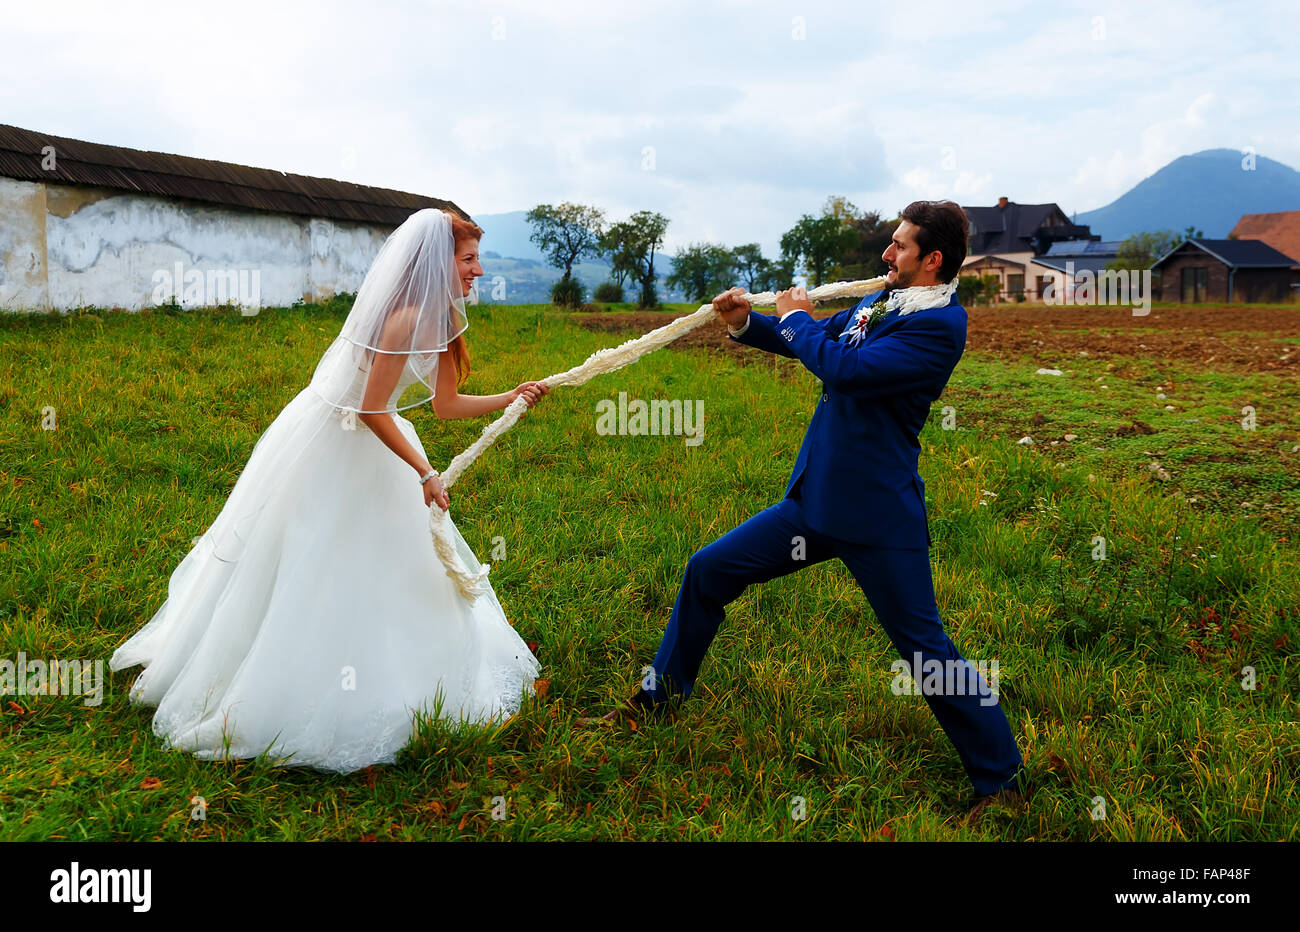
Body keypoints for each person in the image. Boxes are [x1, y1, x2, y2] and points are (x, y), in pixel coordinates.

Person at [591, 200, 1026, 819]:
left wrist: (797, 319)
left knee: (926, 651)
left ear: (933, 260)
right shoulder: (886, 302)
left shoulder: (939, 326)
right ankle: (660, 697)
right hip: (815, 502)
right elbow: (819, 342)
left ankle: (1000, 782)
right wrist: (749, 324)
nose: (886, 254)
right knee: (708, 569)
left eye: (899, 246)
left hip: (877, 517)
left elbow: (843, 368)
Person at [110, 207, 548, 774]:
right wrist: (423, 471)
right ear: (440, 262)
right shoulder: (404, 317)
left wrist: (510, 397)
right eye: (468, 260)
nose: (479, 271)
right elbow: (369, 408)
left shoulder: (441, 317)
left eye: (477, 259)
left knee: (392, 562)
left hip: (381, 438)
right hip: (336, 436)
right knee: (310, 556)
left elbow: (443, 406)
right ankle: (278, 681)